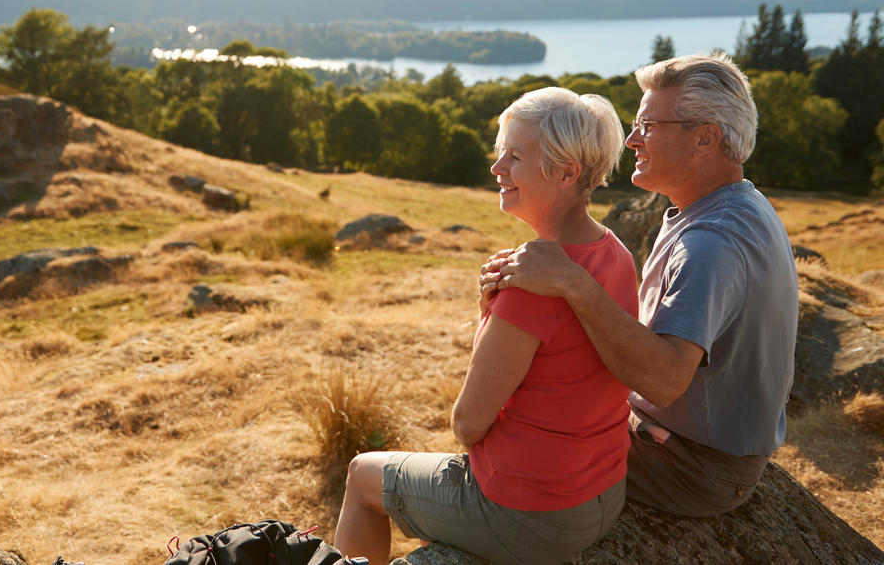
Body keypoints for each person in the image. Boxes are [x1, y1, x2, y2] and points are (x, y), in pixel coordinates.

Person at [481, 52, 798, 517]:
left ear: (705, 139)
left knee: (518, 444)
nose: (631, 140)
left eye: (648, 126)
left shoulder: (711, 243)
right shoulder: (731, 205)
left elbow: (663, 380)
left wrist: (576, 282)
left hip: (691, 465)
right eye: (634, 124)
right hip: (700, 449)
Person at [333, 87, 638, 565]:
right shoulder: (613, 252)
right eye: (501, 153)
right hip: (603, 495)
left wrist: (498, 308)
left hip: (530, 515)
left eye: (514, 157)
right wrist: (491, 309)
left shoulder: (531, 284)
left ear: (566, 172)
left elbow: (467, 424)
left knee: (361, 473)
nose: (497, 168)